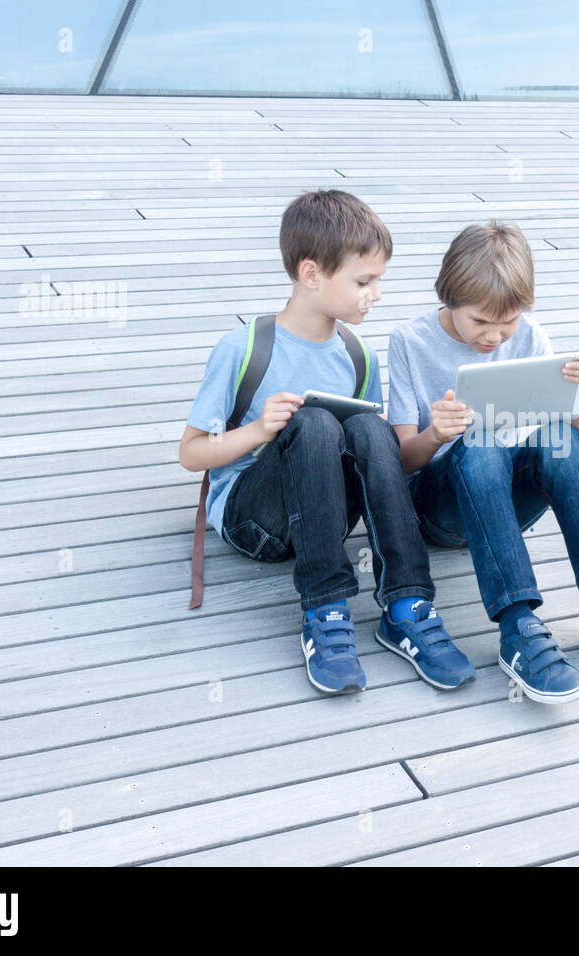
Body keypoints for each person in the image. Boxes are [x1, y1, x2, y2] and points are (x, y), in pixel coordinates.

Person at [178, 190, 474, 696]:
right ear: (311, 275)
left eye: (377, 280)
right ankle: (325, 606)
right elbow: (190, 454)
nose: (375, 295)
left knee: (368, 427)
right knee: (312, 423)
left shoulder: (359, 356)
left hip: (323, 517)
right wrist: (259, 431)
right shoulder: (243, 348)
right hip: (258, 524)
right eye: (364, 281)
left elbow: (379, 458)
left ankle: (406, 605)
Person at [387, 220, 579, 705]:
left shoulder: (529, 335)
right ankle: (518, 627)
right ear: (448, 297)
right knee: (482, 446)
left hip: (504, 505)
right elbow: (401, 461)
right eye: (480, 321)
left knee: (559, 441)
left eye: (506, 321)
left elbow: (568, 444)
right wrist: (436, 434)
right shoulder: (410, 341)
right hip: (439, 506)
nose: (495, 335)